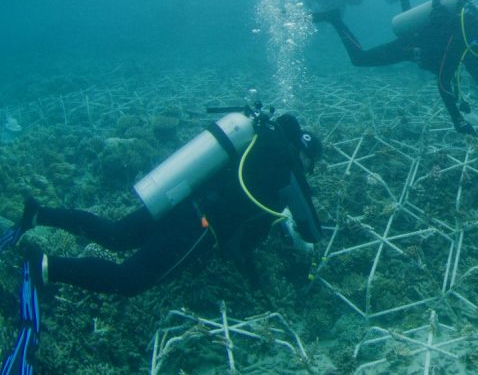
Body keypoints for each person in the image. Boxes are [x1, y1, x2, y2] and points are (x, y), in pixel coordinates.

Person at [2, 109, 325, 297]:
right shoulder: (287, 167)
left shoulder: (259, 140)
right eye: (310, 164)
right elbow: (310, 230)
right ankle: (44, 267)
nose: (308, 171)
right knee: (129, 281)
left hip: (181, 199)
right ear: (303, 154)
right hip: (200, 228)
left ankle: (38, 214)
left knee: (116, 235)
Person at [313, 0, 478, 136]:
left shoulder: (475, 33)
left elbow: (472, 66)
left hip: (425, 42)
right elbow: (443, 82)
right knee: (360, 59)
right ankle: (335, 19)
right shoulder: (459, 39)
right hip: (410, 47)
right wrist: (458, 121)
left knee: (421, 39)